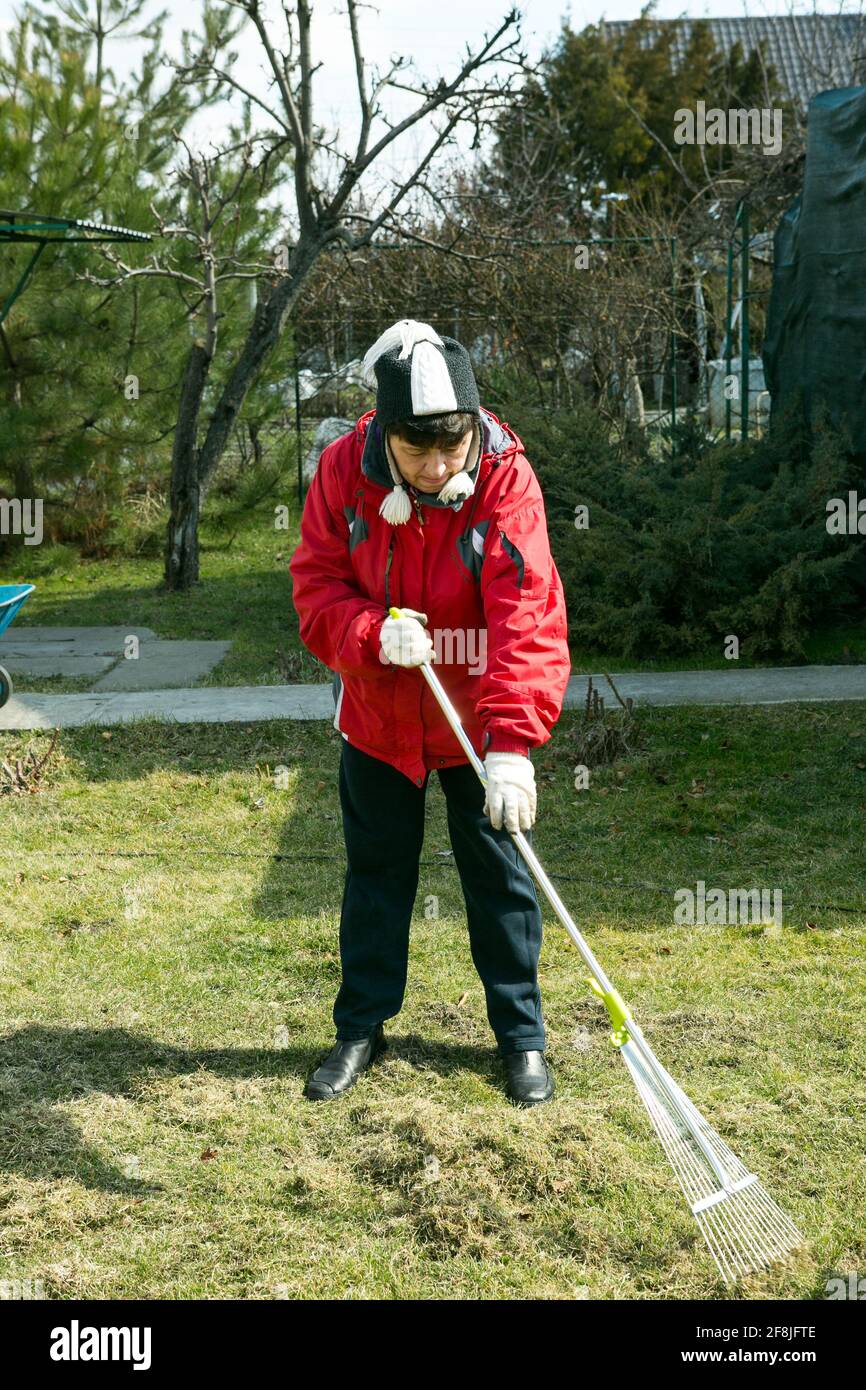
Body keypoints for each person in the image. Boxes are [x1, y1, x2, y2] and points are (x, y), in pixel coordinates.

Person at [289, 319, 570, 1106]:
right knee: (376, 877)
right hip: (379, 718)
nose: (440, 467)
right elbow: (315, 586)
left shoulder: (505, 478)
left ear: (474, 427)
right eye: (418, 453)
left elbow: (527, 612)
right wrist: (371, 633)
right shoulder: (342, 470)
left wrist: (511, 743)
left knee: (500, 879)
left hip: (476, 720)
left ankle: (521, 1039)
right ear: (384, 434)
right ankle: (360, 1028)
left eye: (454, 448)